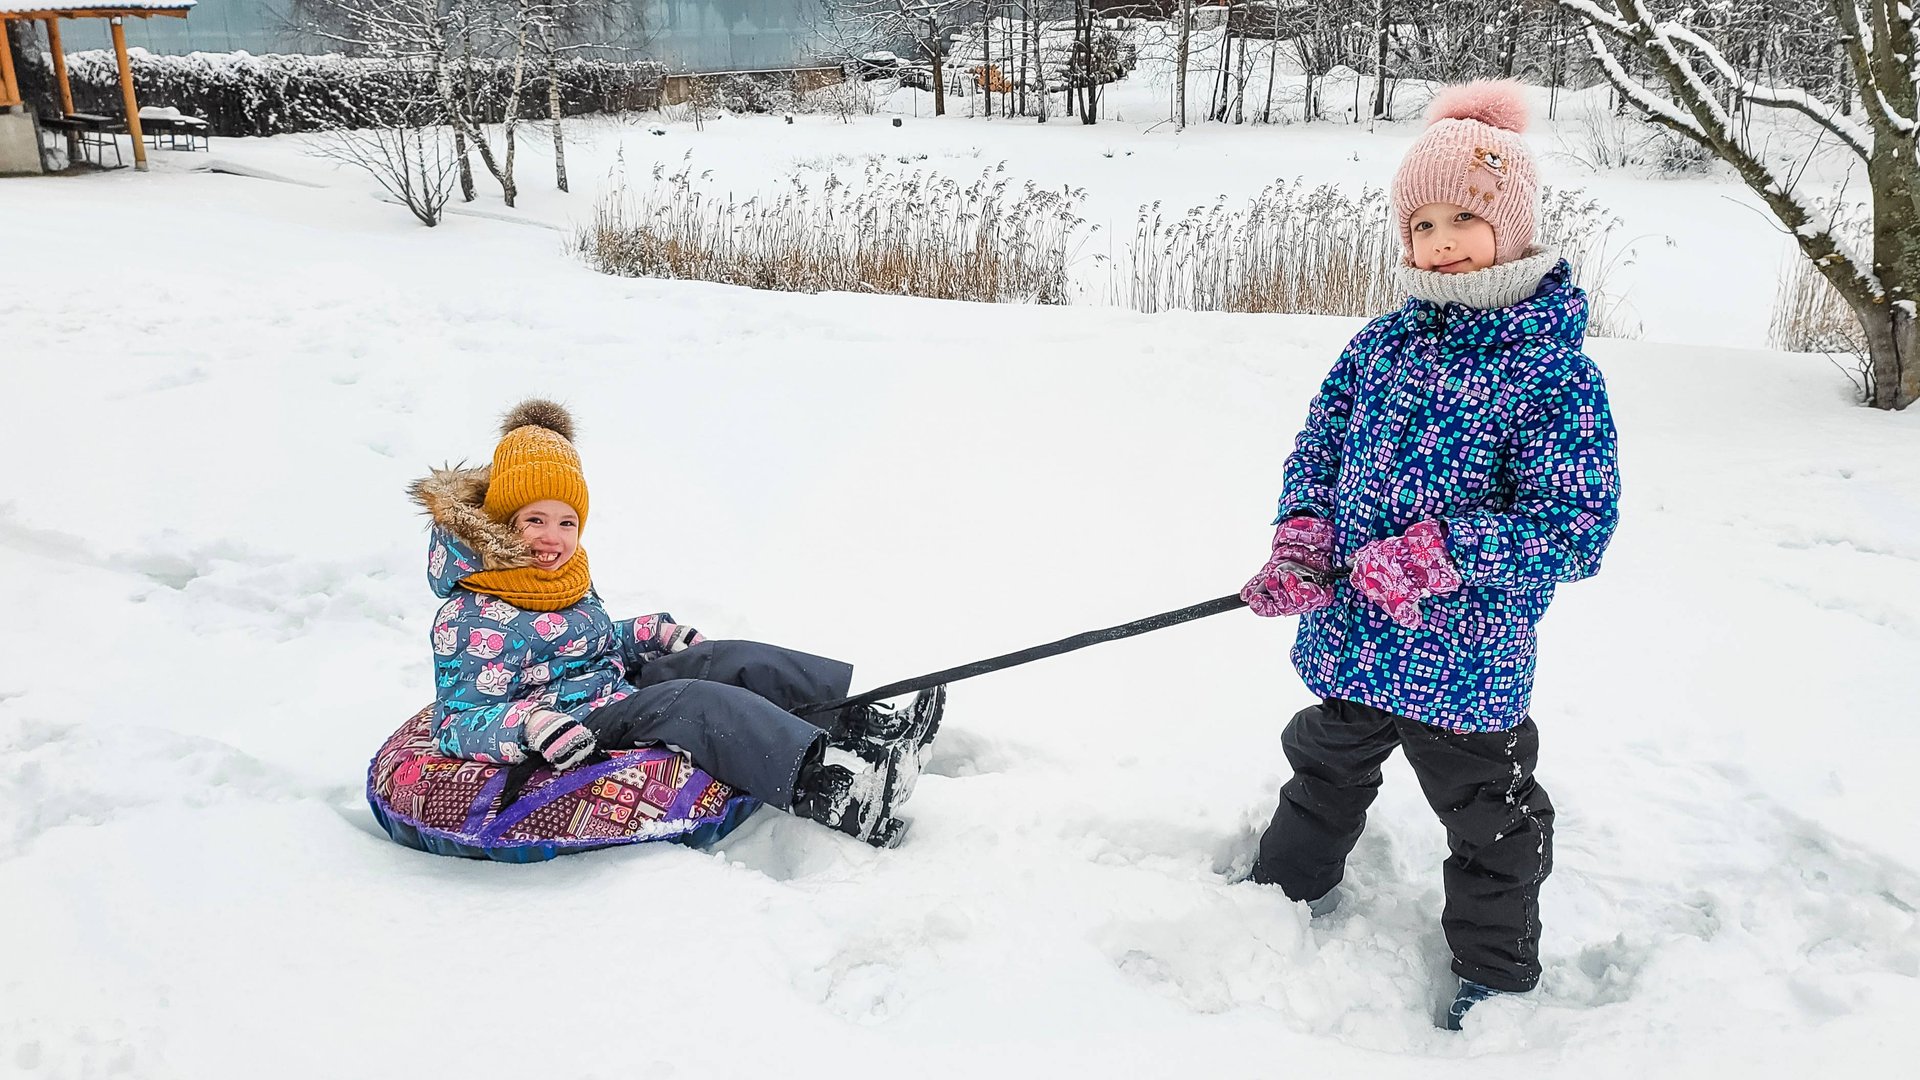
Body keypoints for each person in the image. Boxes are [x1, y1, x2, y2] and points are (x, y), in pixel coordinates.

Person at [1239, 80, 1621, 1029]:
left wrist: (1438, 555)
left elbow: (1575, 525)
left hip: (1465, 655)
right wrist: (1302, 541)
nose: (1441, 240)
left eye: (1464, 217)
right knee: (1323, 767)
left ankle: (1494, 980)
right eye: (1421, 223)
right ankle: (1272, 906)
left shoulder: (1551, 368)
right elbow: (1320, 451)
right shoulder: (1381, 345)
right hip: (1360, 635)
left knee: (1488, 818)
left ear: (1515, 225)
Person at [412, 398, 940, 848]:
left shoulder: (563, 575)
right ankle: (830, 791)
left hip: (608, 688)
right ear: (503, 524)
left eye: (567, 522)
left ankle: (864, 721)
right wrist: (530, 726)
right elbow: (457, 719)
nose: (553, 537)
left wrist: (649, 633)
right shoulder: (467, 616)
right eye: (534, 521)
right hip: (569, 722)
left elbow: (586, 641)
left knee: (727, 659)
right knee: (694, 701)